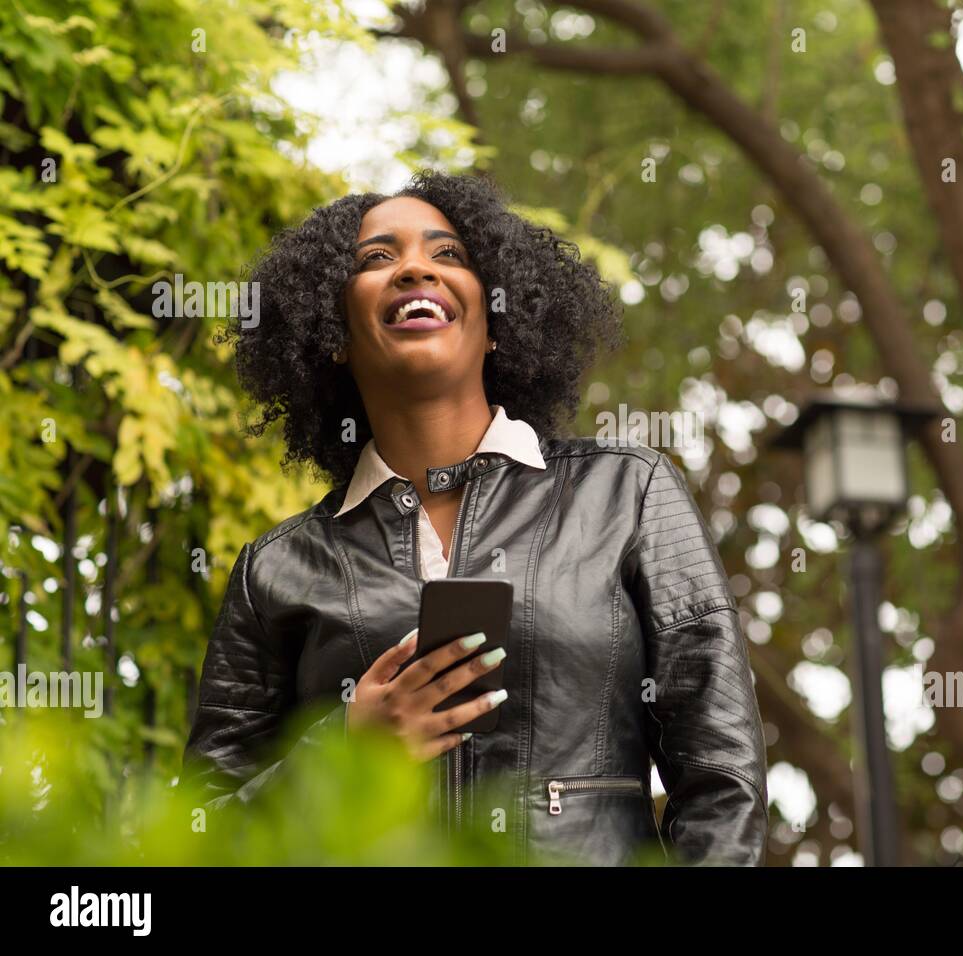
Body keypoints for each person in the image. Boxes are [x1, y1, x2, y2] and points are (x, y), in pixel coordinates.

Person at [181, 170, 768, 866]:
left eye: (448, 254)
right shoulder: (275, 570)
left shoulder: (626, 494)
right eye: (376, 258)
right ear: (331, 334)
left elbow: (722, 785)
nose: (415, 268)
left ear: (496, 324)